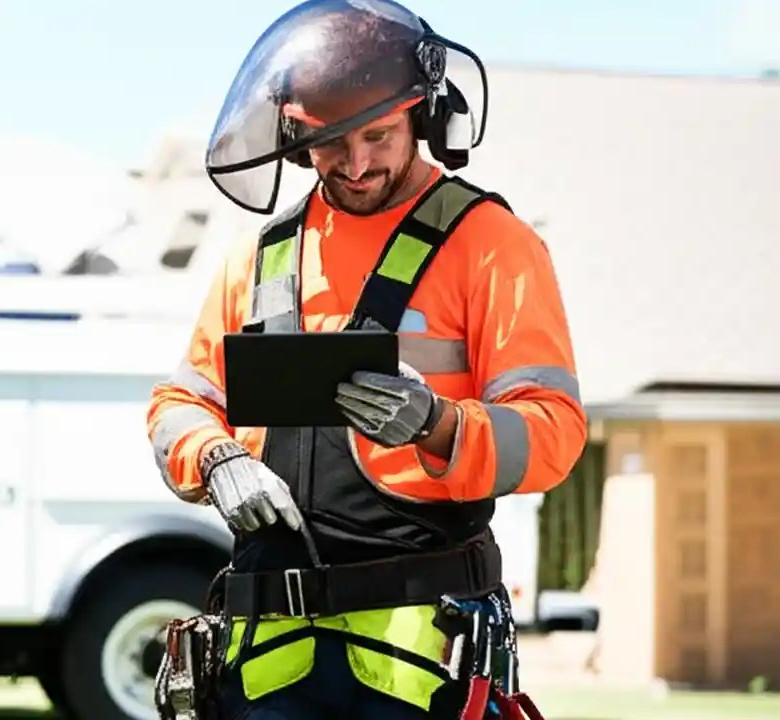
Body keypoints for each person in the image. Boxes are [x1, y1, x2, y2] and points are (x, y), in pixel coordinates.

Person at [146, 1, 587, 718]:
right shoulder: (258, 258)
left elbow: (555, 433)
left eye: (378, 136)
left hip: (419, 661)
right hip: (266, 664)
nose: (355, 165)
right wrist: (216, 458)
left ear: (423, 116)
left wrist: (440, 425)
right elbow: (178, 406)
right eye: (329, 144)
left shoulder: (492, 245)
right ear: (293, 136)